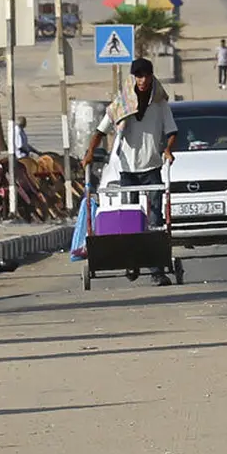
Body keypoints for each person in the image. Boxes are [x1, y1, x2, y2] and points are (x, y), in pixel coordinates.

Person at [81, 57, 178, 286]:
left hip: (152, 166)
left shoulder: (160, 102)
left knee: (155, 219)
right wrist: (89, 153)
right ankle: (131, 263)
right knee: (130, 219)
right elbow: (100, 130)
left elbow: (172, 130)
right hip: (127, 169)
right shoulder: (122, 102)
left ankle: (156, 271)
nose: (142, 80)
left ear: (152, 76)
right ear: (134, 77)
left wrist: (168, 149)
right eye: (138, 76)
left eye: (145, 75)